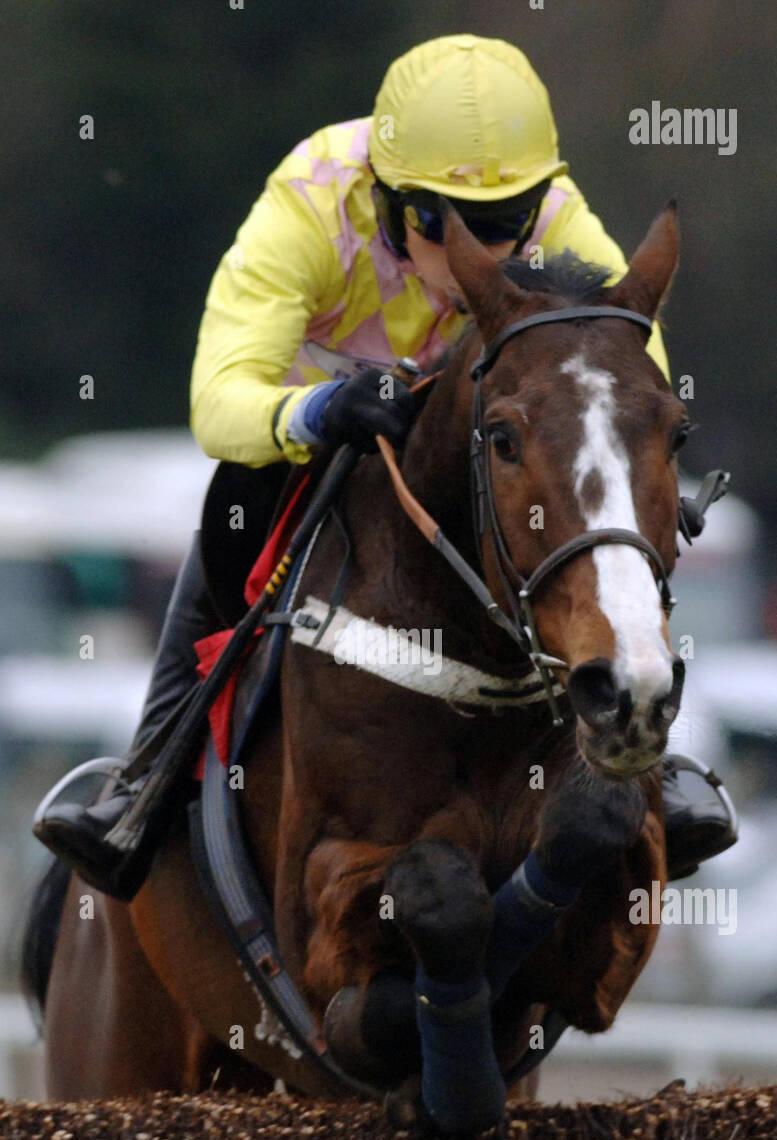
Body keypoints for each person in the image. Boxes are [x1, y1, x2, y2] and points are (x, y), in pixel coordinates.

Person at [34, 34, 736, 897]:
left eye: (507, 222)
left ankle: (650, 762)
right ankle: (148, 771)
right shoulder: (310, 198)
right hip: (319, 423)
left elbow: (628, 353)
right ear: (393, 200)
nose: (489, 246)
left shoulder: (550, 205)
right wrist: (320, 410)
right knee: (233, 500)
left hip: (469, 435)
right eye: (458, 225)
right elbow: (218, 401)